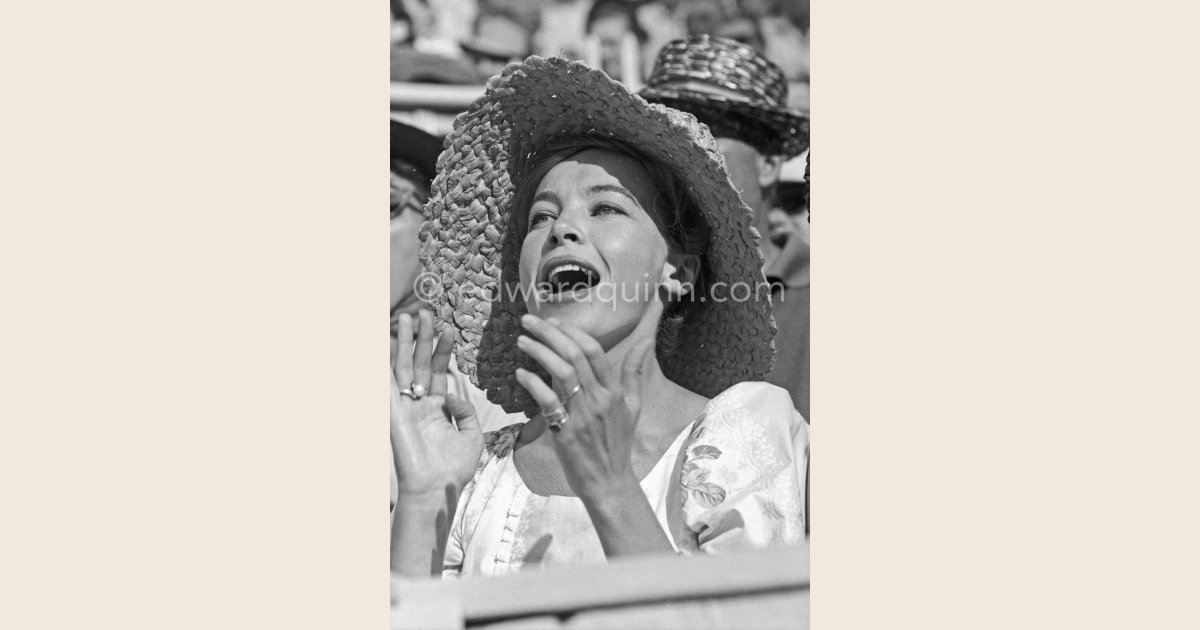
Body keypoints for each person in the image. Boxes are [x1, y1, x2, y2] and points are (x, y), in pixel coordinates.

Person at [391, 56, 808, 579]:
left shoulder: (747, 424)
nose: (562, 229)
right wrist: (423, 500)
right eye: (541, 217)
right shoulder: (478, 466)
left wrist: (610, 487)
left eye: (606, 208)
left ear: (677, 271)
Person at [640, 35, 811, 420]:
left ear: (769, 163)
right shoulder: (630, 291)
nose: (679, 150)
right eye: (662, 131)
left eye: (704, 129)